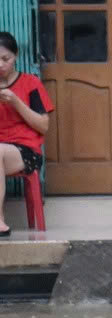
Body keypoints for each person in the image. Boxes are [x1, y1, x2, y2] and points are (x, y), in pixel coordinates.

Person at [0, 31, 49, 239]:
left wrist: (16, 102)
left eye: (5, 59)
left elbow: (43, 126)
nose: (0, 65)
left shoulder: (31, 83)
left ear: (16, 56)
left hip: (26, 151)